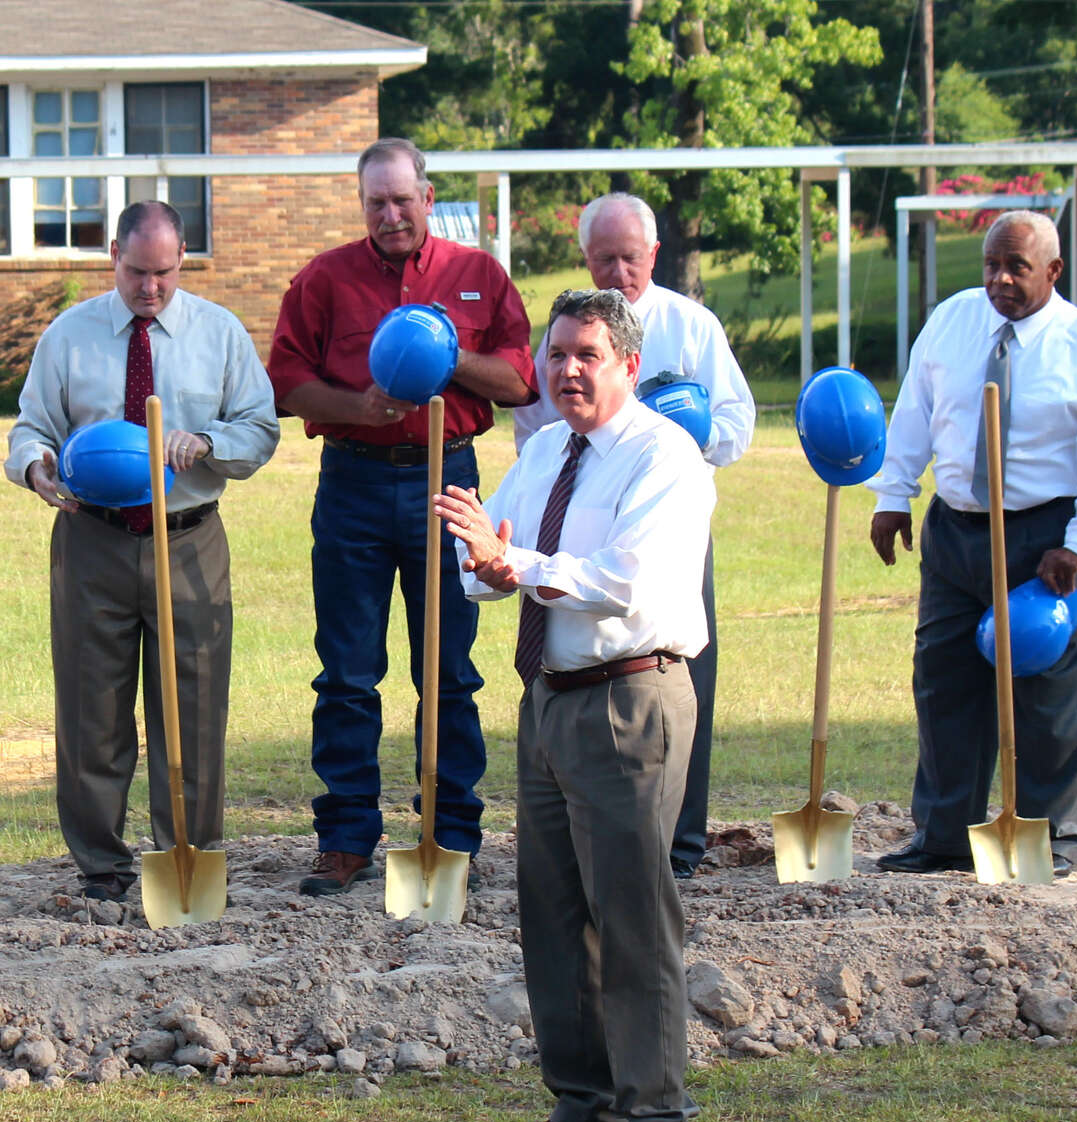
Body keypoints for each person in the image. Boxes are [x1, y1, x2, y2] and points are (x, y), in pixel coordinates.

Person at [435, 289, 714, 1122]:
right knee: (553, 914)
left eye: (587, 354)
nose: (567, 371)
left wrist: (515, 562)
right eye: (556, 354)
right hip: (551, 697)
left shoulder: (665, 456)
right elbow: (495, 563)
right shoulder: (548, 448)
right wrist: (483, 560)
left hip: (631, 699)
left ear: (628, 365)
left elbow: (626, 582)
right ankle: (583, 1110)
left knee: (630, 914)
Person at [268, 137, 538, 896]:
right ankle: (346, 836)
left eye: (402, 199)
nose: (391, 215)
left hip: (445, 481)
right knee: (348, 671)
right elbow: (286, 380)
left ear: (427, 195)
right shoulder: (325, 280)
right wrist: (357, 405)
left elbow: (519, 378)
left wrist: (442, 353)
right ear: (363, 206)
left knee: (448, 670)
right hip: (354, 484)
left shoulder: (475, 276)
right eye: (375, 203)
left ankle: (450, 836)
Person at [5, 200, 279, 901]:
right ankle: (102, 868)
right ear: (113, 260)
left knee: (192, 710)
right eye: (136, 272)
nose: (150, 287)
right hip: (92, 539)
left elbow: (261, 427)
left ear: (181, 259)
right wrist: (37, 468)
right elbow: (31, 427)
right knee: (91, 712)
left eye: (164, 272)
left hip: (187, 540)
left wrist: (210, 441)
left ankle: (186, 861)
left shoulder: (217, 334)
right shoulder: (70, 335)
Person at [868, 210, 1077, 879]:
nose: (1001, 280)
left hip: (1047, 541)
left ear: (1053, 271)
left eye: (1017, 268)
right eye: (991, 265)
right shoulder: (954, 321)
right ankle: (943, 836)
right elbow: (916, 410)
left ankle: (1051, 841)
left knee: (1046, 694)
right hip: (957, 530)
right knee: (944, 681)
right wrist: (893, 495)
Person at [514, 191, 754, 880]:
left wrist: (683, 440)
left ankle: (678, 840)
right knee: (577, 648)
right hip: (580, 514)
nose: (619, 270)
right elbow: (539, 428)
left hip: (665, 519)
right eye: (604, 258)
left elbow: (736, 418)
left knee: (671, 666)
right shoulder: (563, 335)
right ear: (585, 258)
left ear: (653, 253)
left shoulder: (692, 325)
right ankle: (585, 820)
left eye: (631, 257)